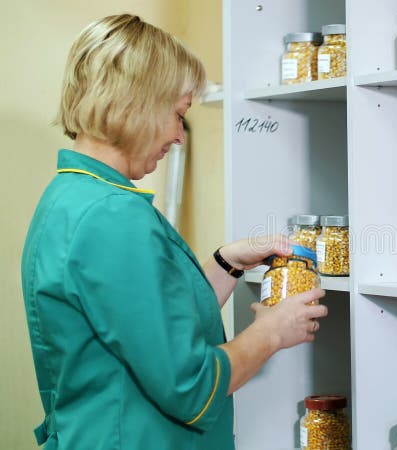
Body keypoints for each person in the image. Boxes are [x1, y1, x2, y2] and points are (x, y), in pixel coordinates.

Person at [20, 13, 327, 449]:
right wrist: (272, 332)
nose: (179, 135)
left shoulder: (72, 195)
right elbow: (191, 387)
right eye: (178, 114)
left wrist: (226, 262)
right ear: (136, 104)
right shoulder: (112, 216)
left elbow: (143, 321)